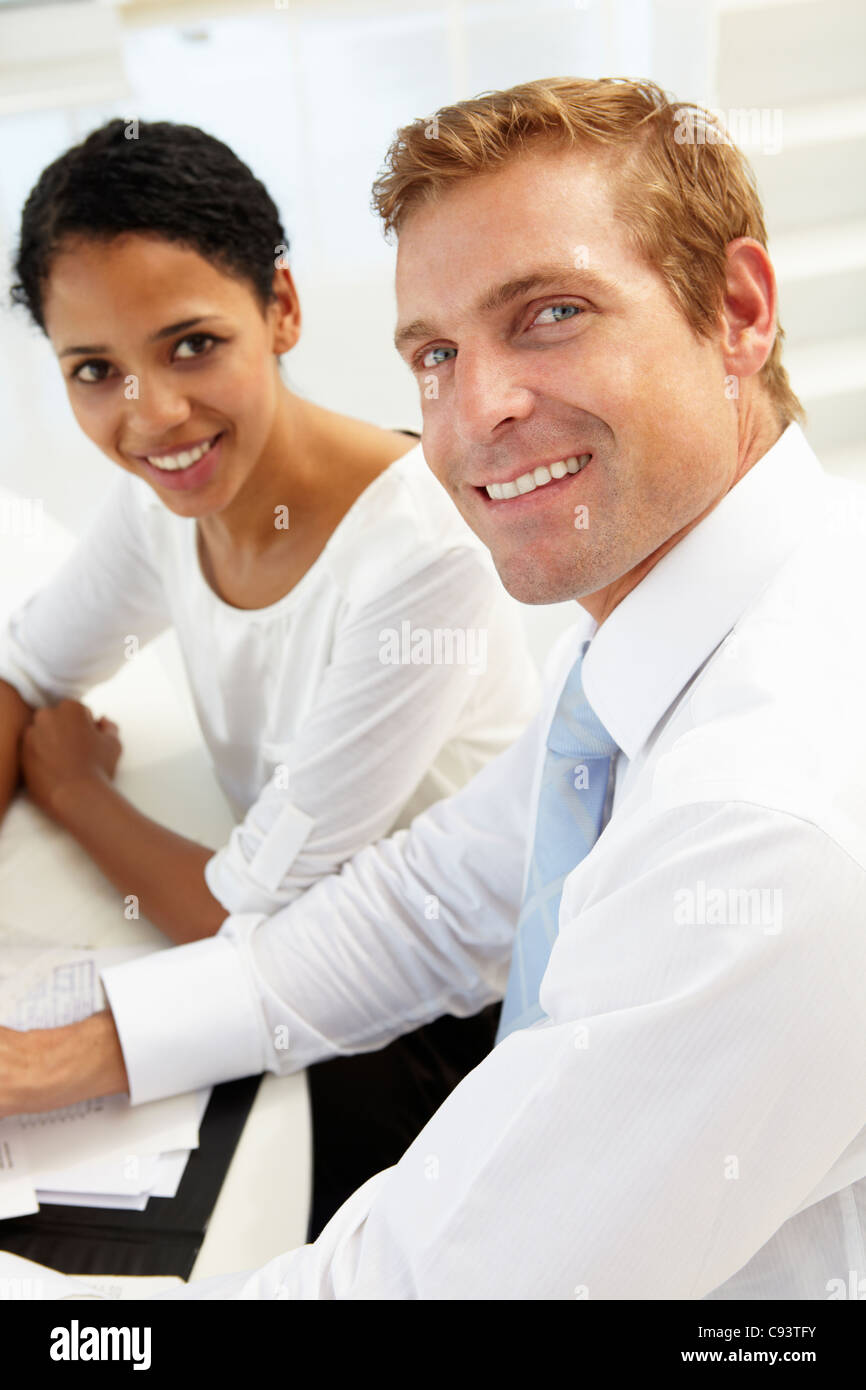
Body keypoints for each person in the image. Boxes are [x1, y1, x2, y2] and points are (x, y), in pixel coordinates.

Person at [3, 76, 866, 1299]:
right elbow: (426, 902)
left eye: (551, 313)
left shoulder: (761, 823)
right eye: (436, 354)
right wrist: (60, 1058)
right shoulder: (664, 630)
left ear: (737, 310)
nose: (476, 412)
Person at [0, 118, 540, 1240]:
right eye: (94, 371)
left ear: (281, 308)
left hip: (428, 1018)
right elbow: (24, 672)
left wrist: (74, 789)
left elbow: (244, 910)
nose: (151, 413)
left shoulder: (422, 557)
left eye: (192, 344)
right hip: (267, 955)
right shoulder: (163, 502)